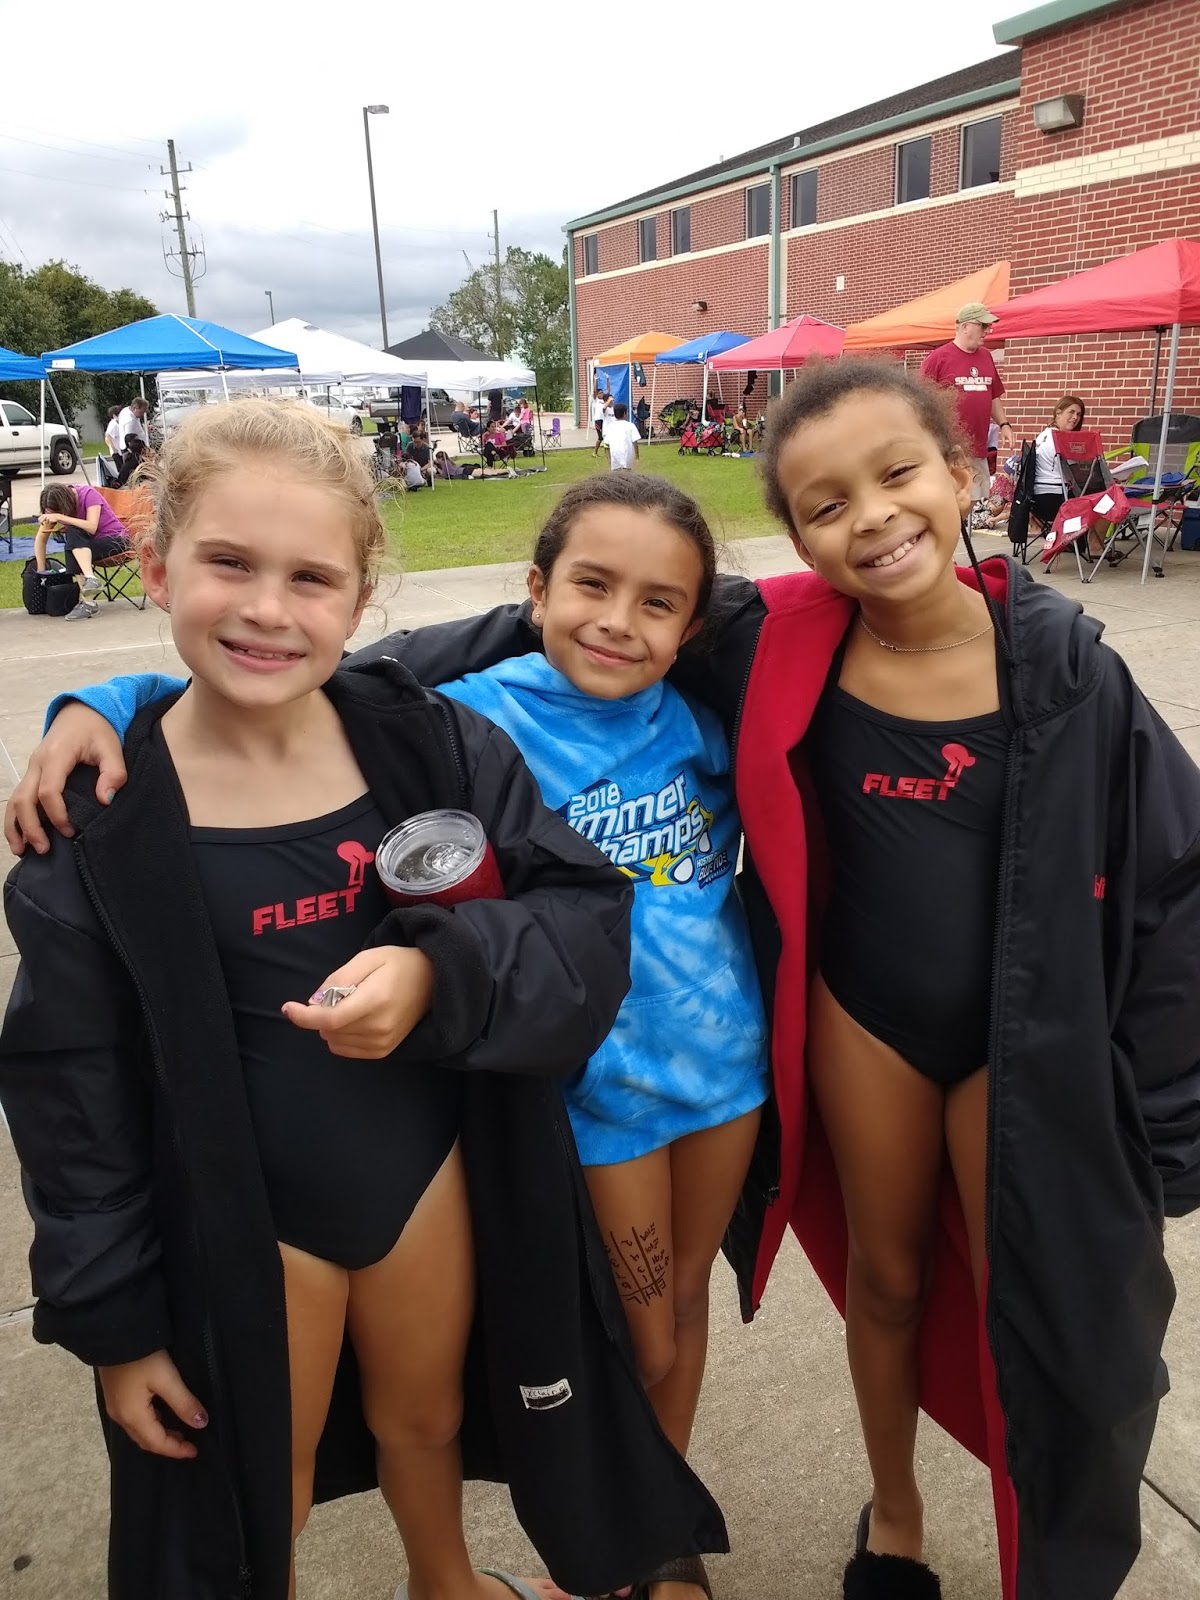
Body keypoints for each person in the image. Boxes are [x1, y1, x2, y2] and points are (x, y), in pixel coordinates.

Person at [14, 364, 1200, 1600]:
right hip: (670, 1066)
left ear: (965, 474)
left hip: (772, 1060)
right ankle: (716, 1531)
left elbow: (1172, 873)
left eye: (900, 475)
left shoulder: (947, 667)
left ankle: (677, 1542)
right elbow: (309, 662)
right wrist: (110, 693)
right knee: (707, 1312)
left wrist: (1171, 1112)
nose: (873, 516)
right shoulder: (538, 698)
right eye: (825, 503)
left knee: (947, 1312)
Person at [0, 399, 726, 1600]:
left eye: (311, 577)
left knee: (428, 1420)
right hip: (244, 1214)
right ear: (155, 560)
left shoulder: (427, 749)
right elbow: (68, 1097)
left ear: (361, 590)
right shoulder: (102, 820)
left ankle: (444, 1581)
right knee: (256, 1476)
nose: (269, 608)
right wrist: (115, 1322)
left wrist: (445, 968)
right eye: (228, 563)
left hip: (423, 1176)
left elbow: (582, 918)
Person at [920, 303, 1012, 501]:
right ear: (965, 327)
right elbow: (919, 401)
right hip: (949, 448)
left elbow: (993, 395)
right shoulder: (938, 358)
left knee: (972, 500)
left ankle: (964, 533)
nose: (987, 331)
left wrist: (1004, 424)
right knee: (949, 501)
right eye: (983, 326)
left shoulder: (986, 357)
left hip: (977, 447)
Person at [34, 482, 132, 621]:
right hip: (87, 547)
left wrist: (61, 518)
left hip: (115, 541)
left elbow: (92, 527)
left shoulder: (88, 494)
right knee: (71, 538)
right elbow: (41, 540)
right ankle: (89, 587)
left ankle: (88, 600)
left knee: (71, 535)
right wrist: (41, 572)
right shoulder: (54, 507)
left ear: (65, 504)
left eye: (58, 512)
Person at [1029, 394, 1109, 560]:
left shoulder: (1043, 435)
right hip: (1057, 501)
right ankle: (1094, 546)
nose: (1075, 418)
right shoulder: (1060, 439)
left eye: (1079, 415)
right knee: (1107, 500)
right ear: (1058, 412)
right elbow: (1080, 476)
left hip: (1037, 501)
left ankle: (1076, 541)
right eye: (1071, 412)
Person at [603, 401, 641, 471]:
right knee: (627, 477)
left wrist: (609, 459)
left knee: (616, 478)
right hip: (627, 457)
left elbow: (606, 445)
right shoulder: (630, 426)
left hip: (614, 458)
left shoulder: (610, 426)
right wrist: (637, 457)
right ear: (625, 413)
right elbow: (635, 442)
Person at [592, 385, 609, 456]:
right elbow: (594, 391)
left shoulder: (604, 401)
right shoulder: (596, 400)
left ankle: (606, 452)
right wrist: (595, 380)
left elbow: (608, 390)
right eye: (600, 393)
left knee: (606, 436)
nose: (602, 394)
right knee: (600, 437)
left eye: (602, 393)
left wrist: (608, 379)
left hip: (604, 420)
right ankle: (595, 452)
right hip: (598, 421)